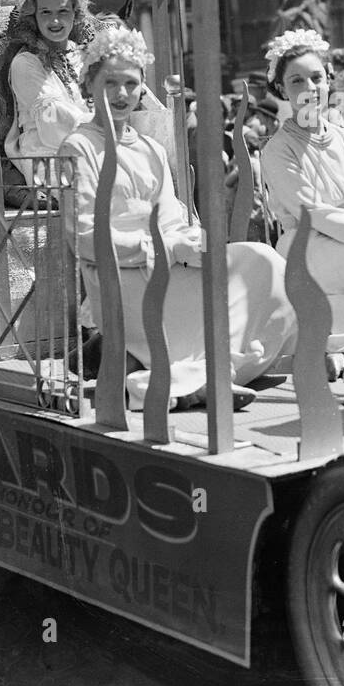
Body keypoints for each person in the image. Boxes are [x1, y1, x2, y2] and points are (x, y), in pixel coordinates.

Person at [60, 25, 297, 407]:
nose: (121, 94)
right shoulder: (79, 146)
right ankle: (185, 378)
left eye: (131, 84)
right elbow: (85, 236)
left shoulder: (151, 148)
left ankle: (199, 376)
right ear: (90, 85)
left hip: (169, 263)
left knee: (263, 261)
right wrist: (163, 248)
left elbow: (171, 219)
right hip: (121, 279)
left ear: (141, 89)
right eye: (110, 83)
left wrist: (191, 241)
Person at [260, 28, 344, 352]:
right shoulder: (277, 149)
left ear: (329, 81)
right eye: (296, 81)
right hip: (303, 243)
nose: (309, 88)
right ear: (282, 90)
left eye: (316, 78)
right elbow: (309, 211)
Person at [0, 0, 93, 187]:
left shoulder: (86, 56)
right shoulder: (25, 62)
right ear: (33, 15)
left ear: (74, 13)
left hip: (93, 146)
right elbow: (53, 121)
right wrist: (102, 130)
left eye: (63, 11)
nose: (55, 21)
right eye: (46, 12)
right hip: (47, 156)